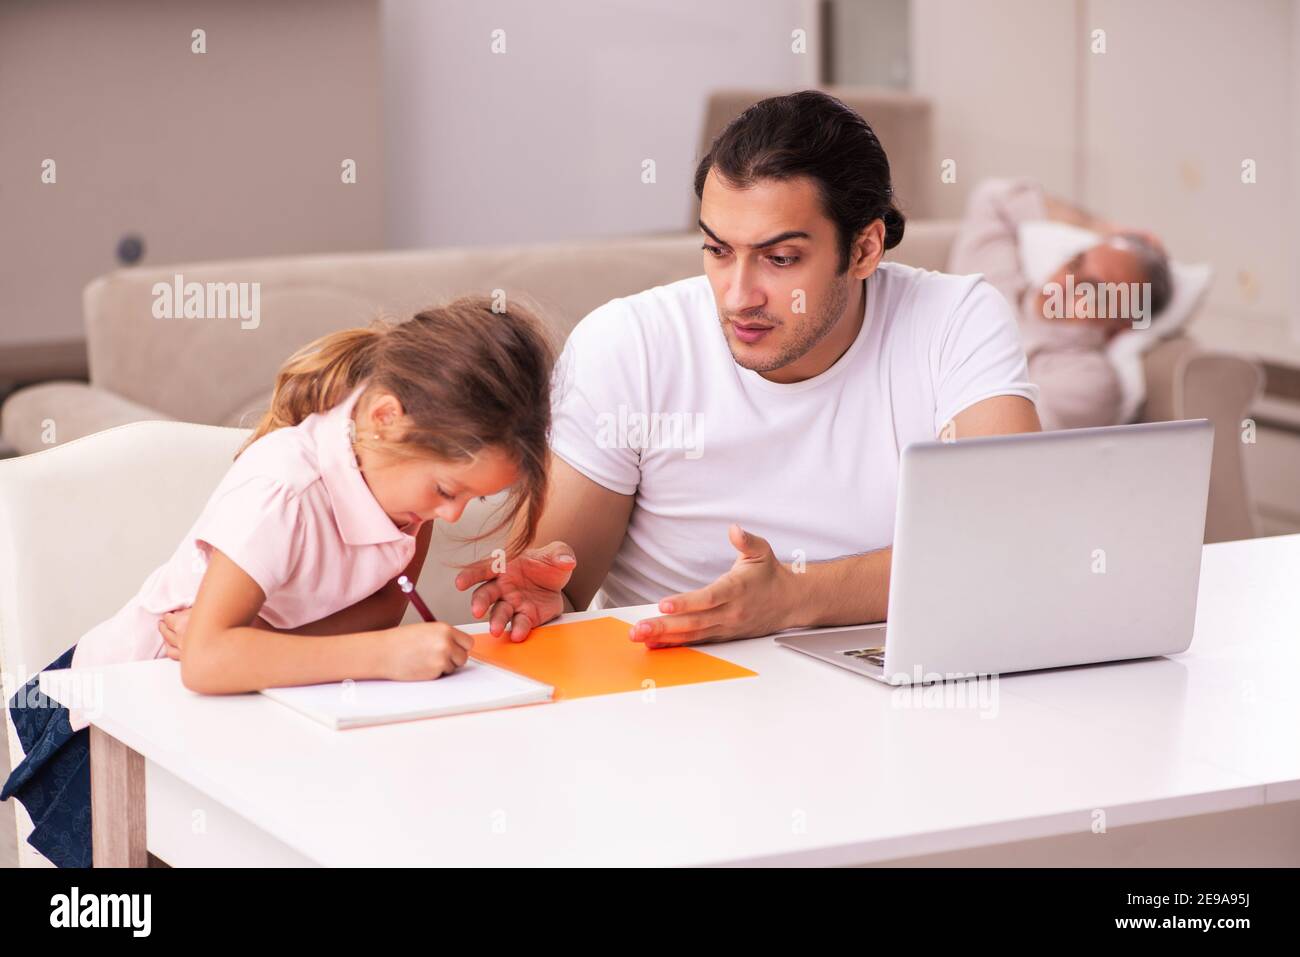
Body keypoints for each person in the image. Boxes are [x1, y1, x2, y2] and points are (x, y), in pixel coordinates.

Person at [454, 90, 1043, 650]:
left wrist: (793, 599)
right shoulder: (629, 344)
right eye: (717, 250)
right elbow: (558, 588)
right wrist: (536, 596)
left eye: (780, 258)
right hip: (680, 698)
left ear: (864, 249)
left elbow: (1009, 538)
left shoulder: (954, 320)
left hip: (892, 681)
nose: (739, 296)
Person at [1, 297, 561, 866]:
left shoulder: (404, 495)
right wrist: (380, 655)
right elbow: (205, 660)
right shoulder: (283, 490)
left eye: (473, 497)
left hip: (247, 711)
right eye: (447, 491)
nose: (455, 517)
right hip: (118, 721)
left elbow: (381, 608)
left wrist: (269, 644)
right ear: (385, 418)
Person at [947, 177, 1173, 430]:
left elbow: (1006, 438)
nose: (1064, 284)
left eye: (1092, 290)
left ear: (1123, 324)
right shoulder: (996, 280)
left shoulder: (1089, 381)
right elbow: (992, 196)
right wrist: (1103, 227)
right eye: (1075, 263)